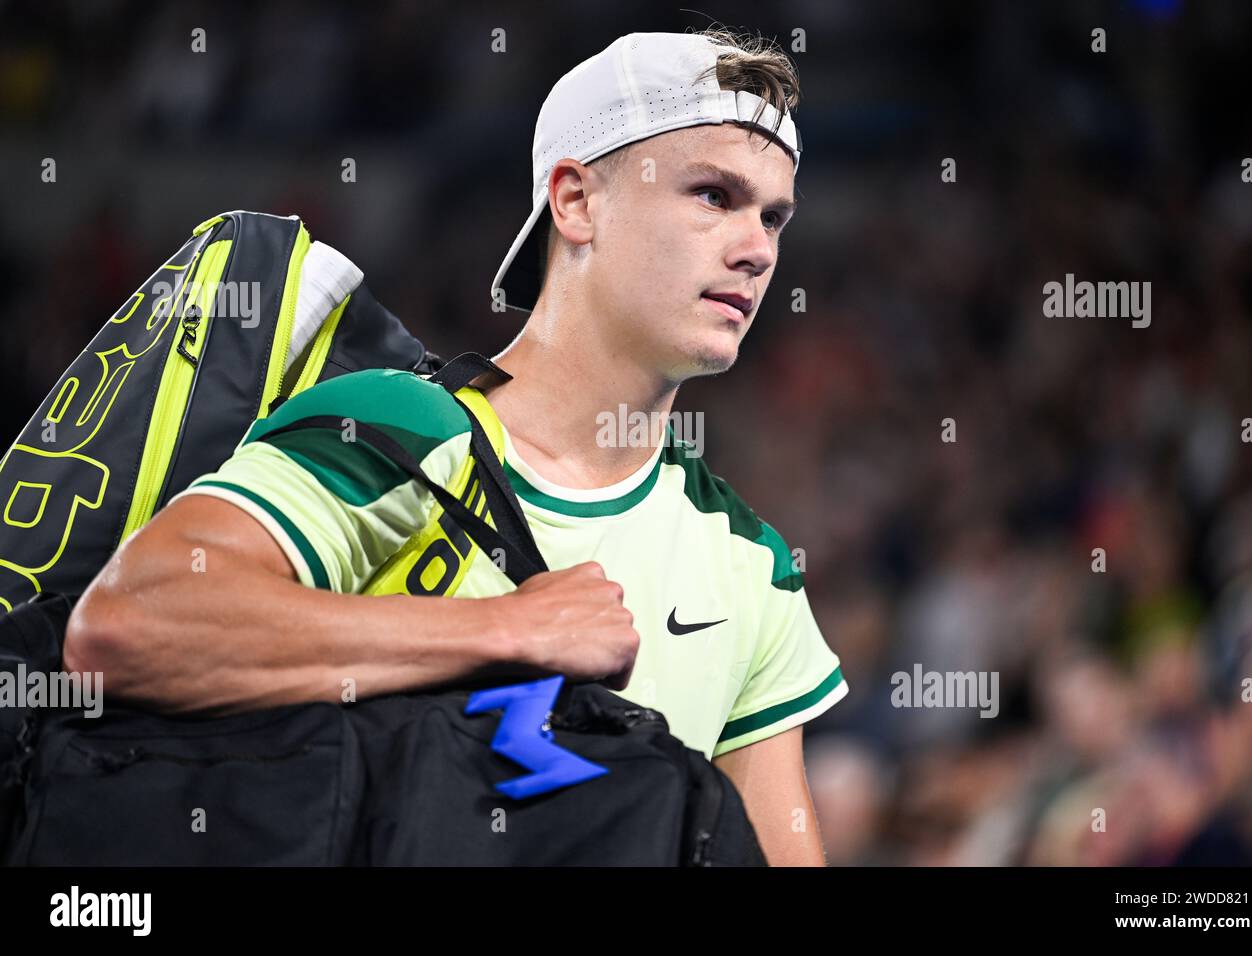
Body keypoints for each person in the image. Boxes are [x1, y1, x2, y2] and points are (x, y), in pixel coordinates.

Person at [65, 28, 848, 866]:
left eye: (774, 217)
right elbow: (127, 628)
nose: (757, 249)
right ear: (576, 202)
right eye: (714, 195)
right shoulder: (401, 426)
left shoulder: (752, 563)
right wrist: (504, 629)